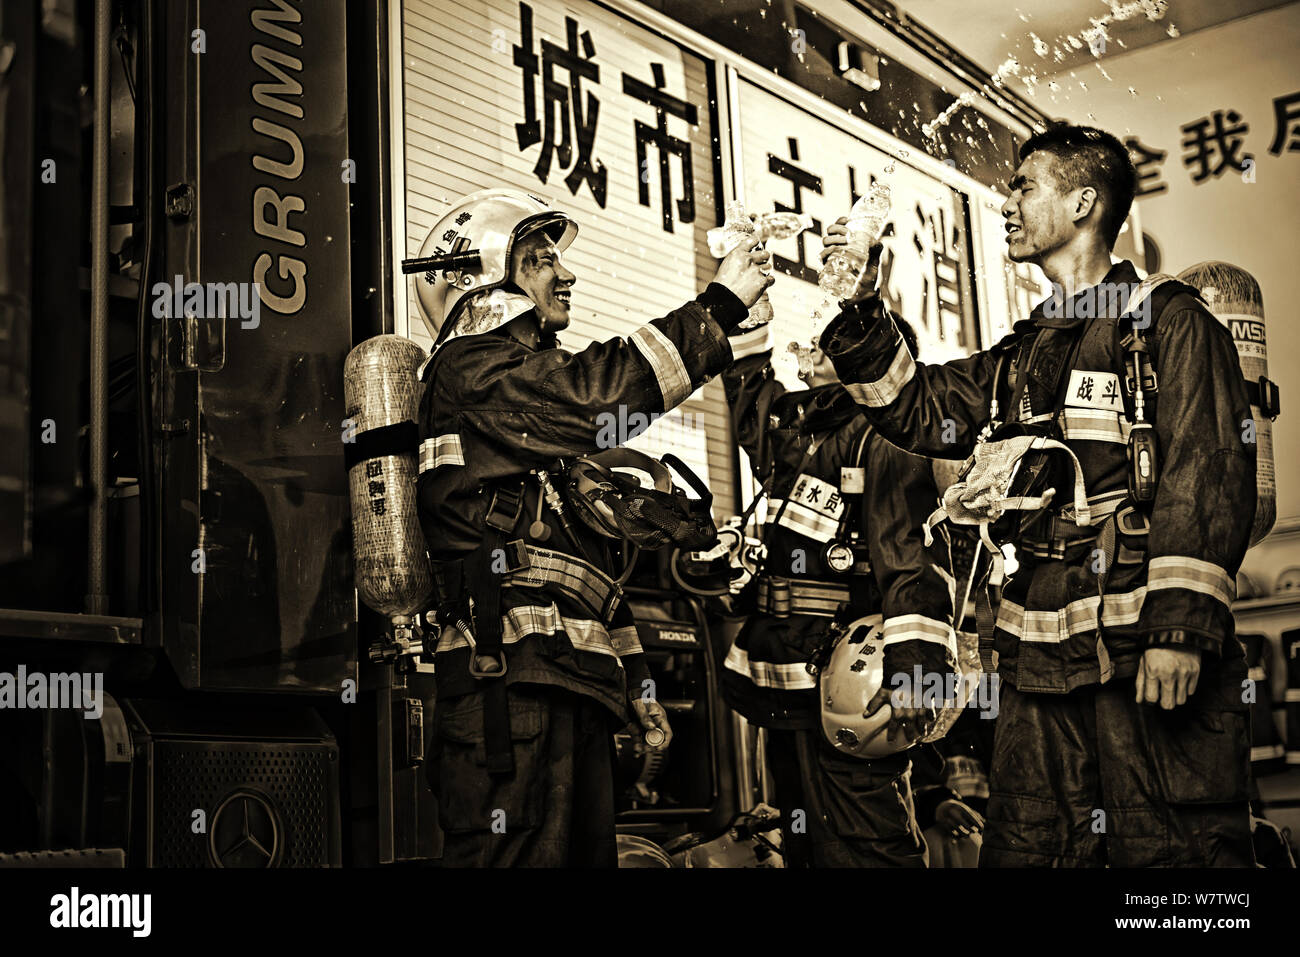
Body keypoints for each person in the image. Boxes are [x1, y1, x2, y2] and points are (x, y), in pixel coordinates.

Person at [818, 124, 1257, 866]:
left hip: (1137, 651)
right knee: (1031, 848)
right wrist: (863, 307)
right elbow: (916, 407)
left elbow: (1207, 472)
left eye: (1025, 185)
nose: (1006, 203)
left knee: (1170, 862)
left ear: (1085, 200)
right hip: (1035, 669)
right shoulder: (1024, 354)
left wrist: (1178, 631)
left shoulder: (1169, 322)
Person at [414, 188, 773, 867]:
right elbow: (599, 394)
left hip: (564, 694)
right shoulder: (473, 373)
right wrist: (716, 309)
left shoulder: (539, 438)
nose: (566, 272)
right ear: (488, 272)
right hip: (506, 697)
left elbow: (590, 585)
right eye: (540, 258)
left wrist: (638, 689)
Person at [720, 316, 960, 867]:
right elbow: (753, 403)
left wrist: (914, 675)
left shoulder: (889, 436)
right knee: (804, 845)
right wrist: (746, 310)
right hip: (790, 685)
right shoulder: (809, 431)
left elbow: (909, 563)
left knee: (869, 848)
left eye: (824, 349)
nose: (806, 352)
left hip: (854, 691)